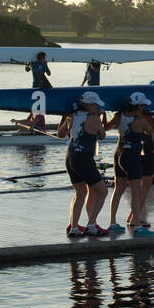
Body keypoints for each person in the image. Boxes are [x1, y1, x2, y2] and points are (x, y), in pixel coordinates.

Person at [106, 92, 154, 235]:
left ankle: (112, 223)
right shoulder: (140, 120)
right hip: (131, 156)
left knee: (118, 189)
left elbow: (105, 127)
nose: (144, 108)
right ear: (138, 106)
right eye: (143, 106)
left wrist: (103, 115)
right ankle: (137, 227)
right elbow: (151, 130)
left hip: (118, 154)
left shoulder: (118, 116)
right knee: (136, 192)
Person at [55, 91, 108, 236]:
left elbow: (60, 134)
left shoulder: (72, 115)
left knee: (80, 193)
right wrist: (101, 119)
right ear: (90, 105)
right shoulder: (94, 119)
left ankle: (74, 228)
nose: (98, 107)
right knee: (103, 191)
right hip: (83, 158)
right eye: (96, 105)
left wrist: (66, 120)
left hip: (70, 156)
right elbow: (102, 136)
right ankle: (91, 225)